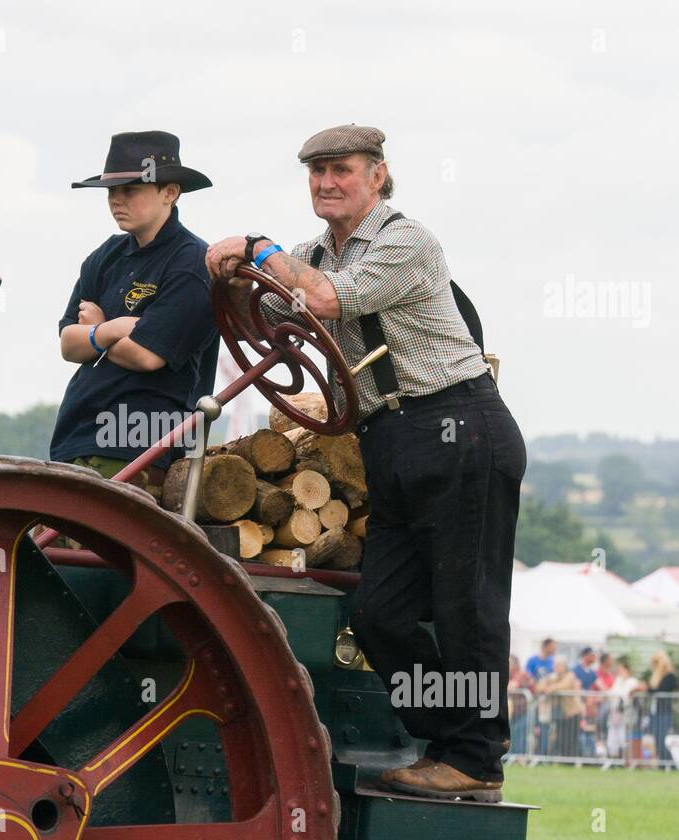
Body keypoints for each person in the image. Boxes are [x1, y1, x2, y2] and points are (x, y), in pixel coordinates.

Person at [206, 124, 525, 802]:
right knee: (378, 611)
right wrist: (231, 277)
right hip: (389, 438)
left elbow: (323, 300)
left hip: (459, 426)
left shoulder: (407, 241)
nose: (326, 182)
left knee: (466, 606)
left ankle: (475, 760)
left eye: (341, 169)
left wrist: (257, 247)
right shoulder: (314, 252)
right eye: (316, 171)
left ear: (377, 175)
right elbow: (267, 310)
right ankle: (452, 736)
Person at [49, 131, 218, 484]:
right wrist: (112, 328)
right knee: (45, 538)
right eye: (112, 191)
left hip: (140, 441)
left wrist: (93, 333)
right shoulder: (105, 256)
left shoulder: (191, 263)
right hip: (76, 435)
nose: (116, 200)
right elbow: (68, 344)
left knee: (75, 539)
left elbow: (147, 355)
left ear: (170, 192)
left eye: (130, 190)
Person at [537, 658, 582, 758]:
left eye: (558, 665)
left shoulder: (570, 675)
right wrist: (546, 687)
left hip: (573, 712)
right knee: (562, 737)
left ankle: (571, 759)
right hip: (563, 713)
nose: (555, 667)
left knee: (572, 738)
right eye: (555, 665)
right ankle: (564, 758)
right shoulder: (554, 677)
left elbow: (565, 685)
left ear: (564, 667)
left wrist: (551, 688)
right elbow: (540, 685)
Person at [642, 651, 678, 764]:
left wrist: (647, 689)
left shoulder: (670, 676)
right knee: (657, 739)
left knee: (661, 739)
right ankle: (663, 762)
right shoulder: (658, 676)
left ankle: (669, 763)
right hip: (655, 712)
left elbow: (661, 691)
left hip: (664, 712)